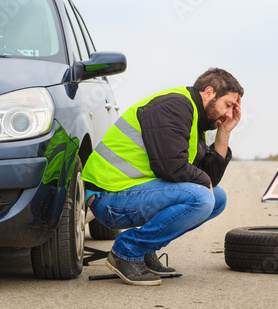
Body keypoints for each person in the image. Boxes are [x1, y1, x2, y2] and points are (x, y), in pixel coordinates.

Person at [81, 68, 244, 286]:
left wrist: (224, 133)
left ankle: (145, 249)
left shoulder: (195, 120)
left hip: (132, 192)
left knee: (217, 198)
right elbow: (171, 167)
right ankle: (126, 252)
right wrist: (205, 183)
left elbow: (209, 180)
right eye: (228, 105)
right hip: (107, 197)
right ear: (208, 93)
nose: (228, 113)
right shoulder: (174, 107)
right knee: (202, 198)